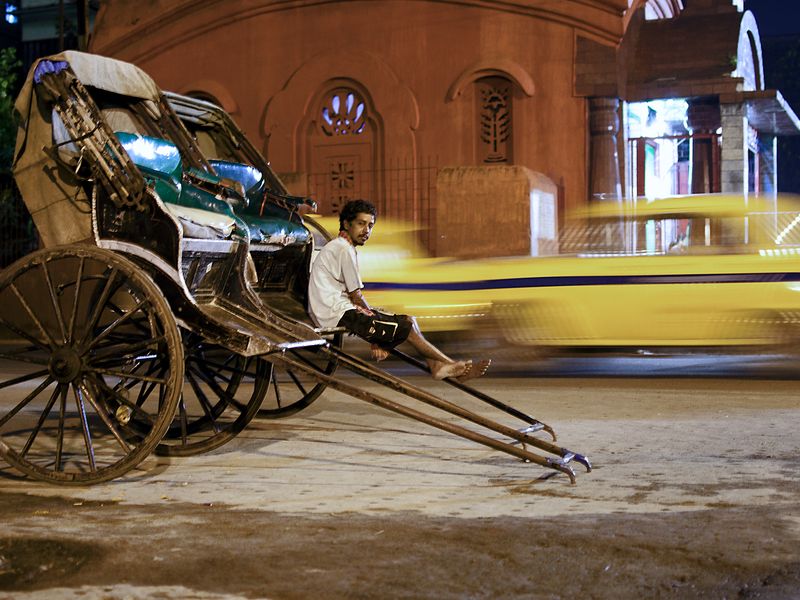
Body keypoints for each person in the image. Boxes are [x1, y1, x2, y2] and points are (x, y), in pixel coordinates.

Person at [308, 199, 490, 381]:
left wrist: (378, 332)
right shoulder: (343, 249)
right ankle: (454, 367)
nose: (366, 231)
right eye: (361, 224)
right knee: (406, 328)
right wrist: (377, 337)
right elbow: (356, 296)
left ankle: (437, 366)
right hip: (337, 313)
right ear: (347, 224)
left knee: (409, 320)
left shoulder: (341, 246)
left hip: (339, 309)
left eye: (370, 226)